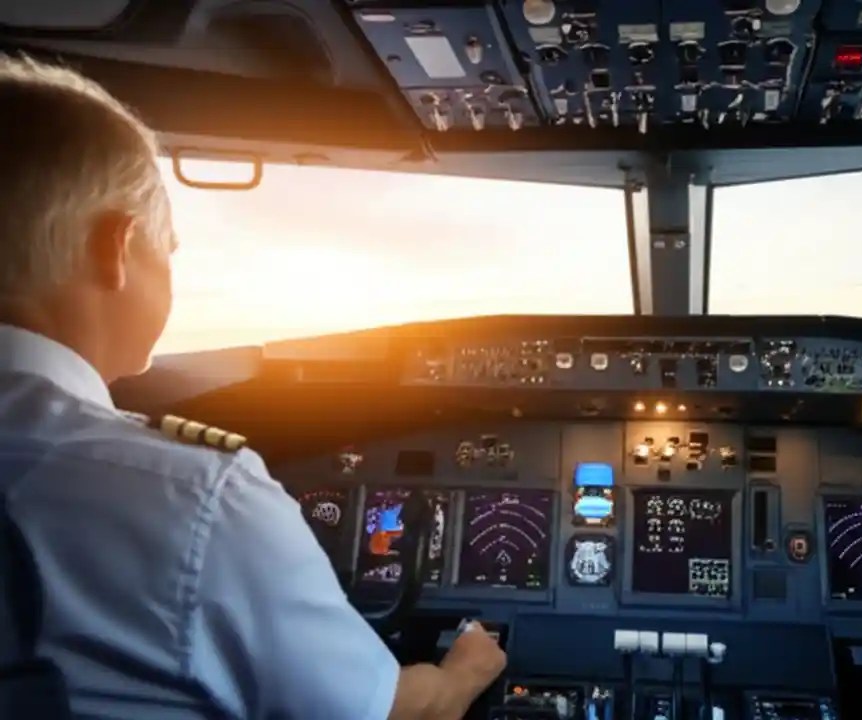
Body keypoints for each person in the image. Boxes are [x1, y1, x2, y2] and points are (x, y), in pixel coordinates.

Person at [0, 54, 505, 719]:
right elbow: (393, 713)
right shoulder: (194, 497)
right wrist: (467, 669)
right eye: (168, 247)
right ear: (117, 250)